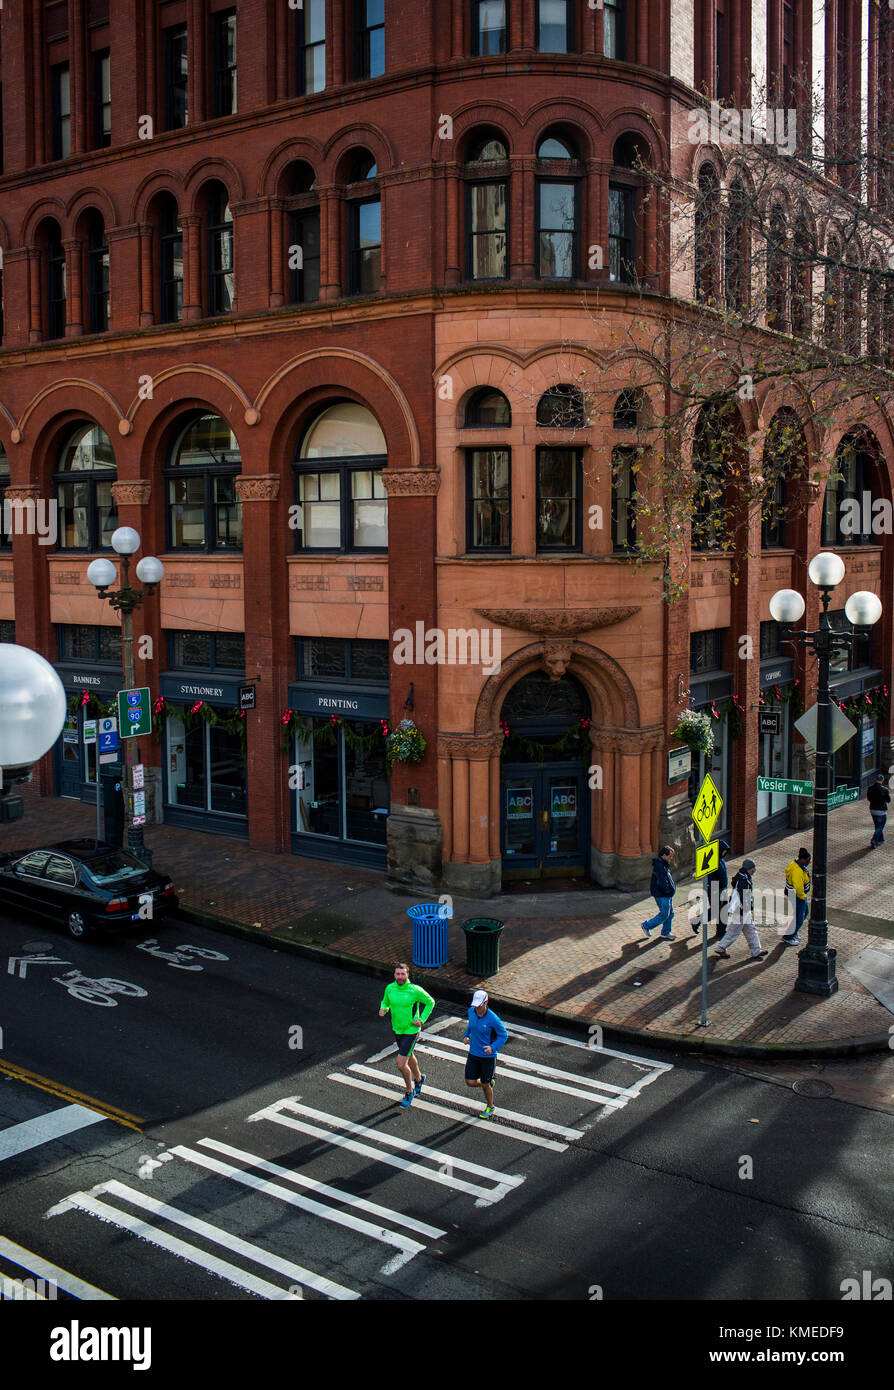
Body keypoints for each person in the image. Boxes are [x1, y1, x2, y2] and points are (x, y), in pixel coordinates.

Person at [378, 963, 435, 1108]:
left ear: (408, 975)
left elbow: (430, 1002)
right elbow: (386, 1001)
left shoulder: (415, 990)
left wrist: (421, 1019)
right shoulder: (390, 988)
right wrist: (383, 1008)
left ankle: (409, 1091)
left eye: (403, 974)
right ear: (394, 975)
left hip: (411, 1031)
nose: (400, 977)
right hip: (397, 1029)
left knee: (401, 1063)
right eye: (398, 974)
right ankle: (419, 1078)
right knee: (409, 1056)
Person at [462, 988, 509, 1119]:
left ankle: (490, 1106)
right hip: (473, 1053)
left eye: (479, 1005)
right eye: (475, 1006)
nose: (477, 1008)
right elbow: (470, 1025)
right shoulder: (471, 1011)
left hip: (488, 1057)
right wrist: (467, 1036)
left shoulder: (493, 1019)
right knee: (470, 1082)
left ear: (486, 1002)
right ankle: (487, 1082)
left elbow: (503, 1035)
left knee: (484, 1083)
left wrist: (493, 1047)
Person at [713, 859, 768, 961]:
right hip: (741, 911)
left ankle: (756, 950)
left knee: (751, 930)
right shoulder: (744, 881)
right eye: (753, 868)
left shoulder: (742, 877)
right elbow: (744, 897)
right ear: (749, 869)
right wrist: (749, 909)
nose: (754, 869)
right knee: (734, 932)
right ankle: (721, 947)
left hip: (742, 910)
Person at [694, 839, 731, 940]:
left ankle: (721, 932)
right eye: (724, 850)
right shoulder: (712, 861)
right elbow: (711, 878)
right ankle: (697, 921)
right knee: (715, 911)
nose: (725, 852)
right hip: (715, 889)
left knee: (723, 911)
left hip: (722, 889)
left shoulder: (721, 859)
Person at [642, 845, 677, 941]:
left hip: (665, 895)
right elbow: (662, 882)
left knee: (670, 914)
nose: (671, 858)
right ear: (664, 855)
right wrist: (668, 891)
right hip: (662, 895)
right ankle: (646, 926)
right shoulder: (660, 866)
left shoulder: (663, 864)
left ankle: (666, 933)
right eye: (670, 856)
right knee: (664, 914)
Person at [782, 847, 811, 946]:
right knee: (799, 917)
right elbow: (798, 888)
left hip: (796, 896)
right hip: (798, 897)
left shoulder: (796, 865)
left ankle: (792, 933)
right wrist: (803, 896)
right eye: (808, 860)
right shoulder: (797, 870)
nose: (809, 862)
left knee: (803, 913)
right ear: (803, 859)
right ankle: (788, 937)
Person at [867, 772, 891, 849]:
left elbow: (868, 799)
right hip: (881, 811)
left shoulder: (870, 788)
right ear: (882, 780)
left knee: (878, 826)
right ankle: (874, 841)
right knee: (880, 827)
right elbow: (888, 800)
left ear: (876, 779)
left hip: (872, 810)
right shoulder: (885, 789)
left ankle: (881, 839)